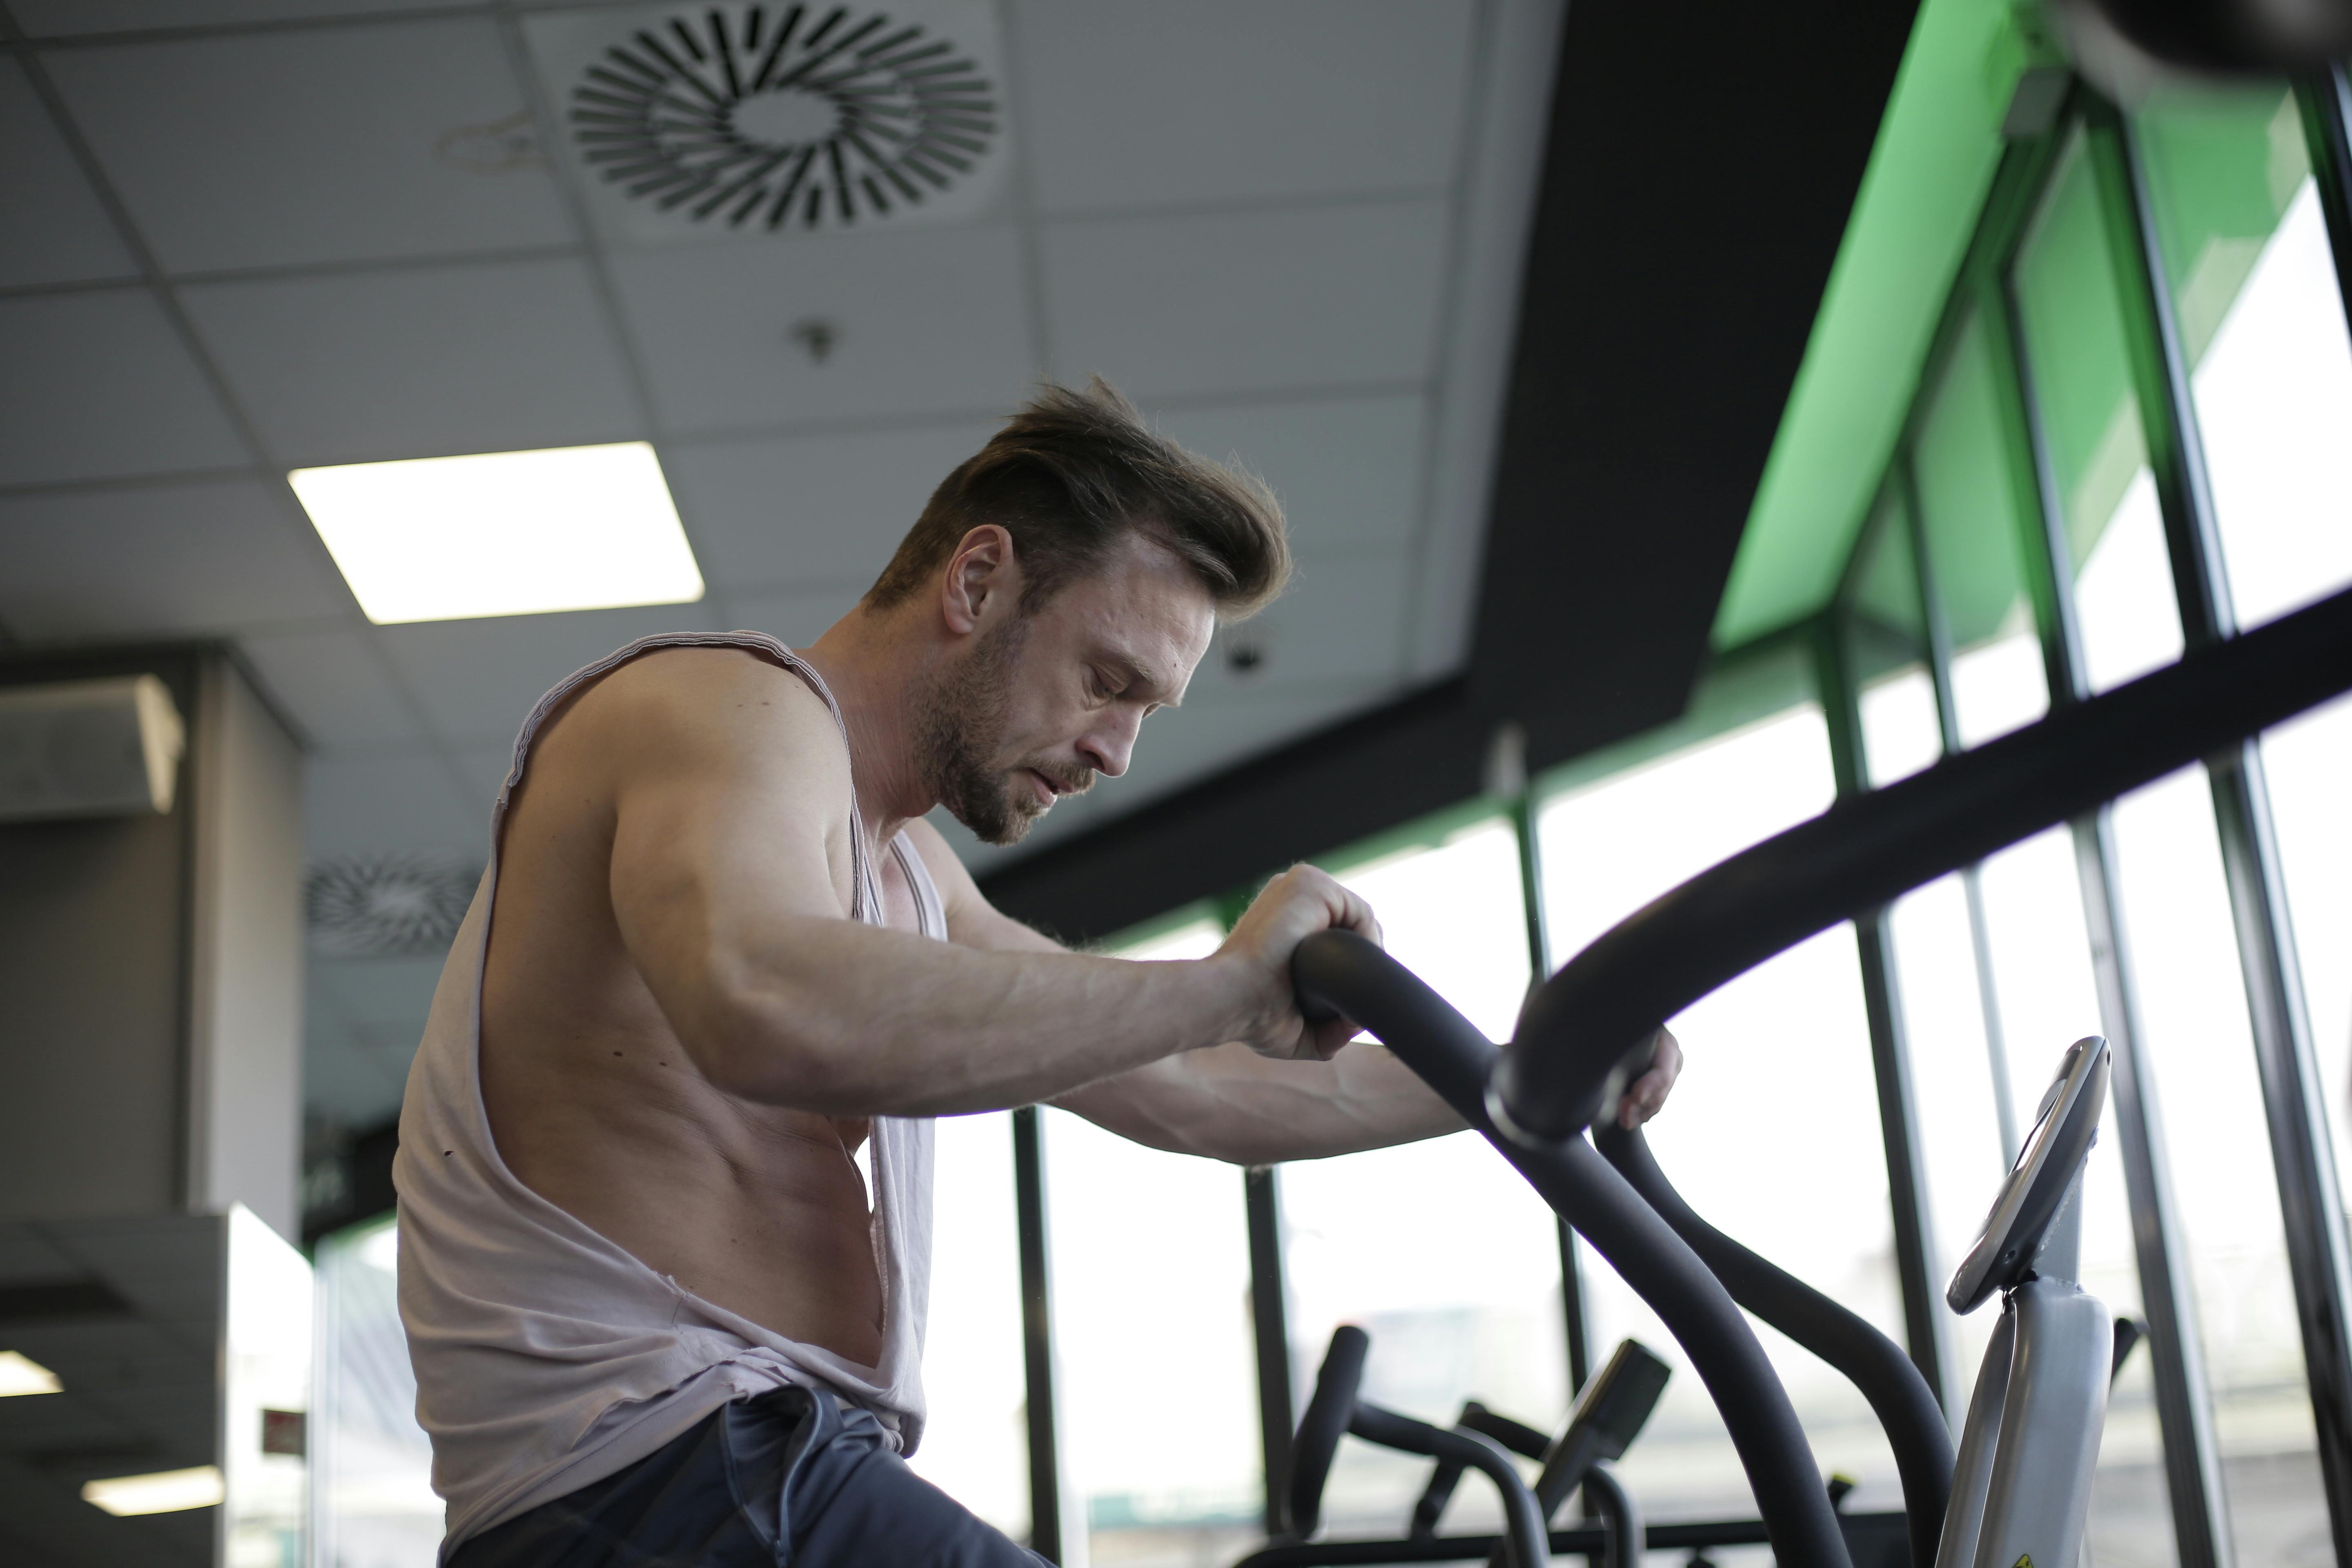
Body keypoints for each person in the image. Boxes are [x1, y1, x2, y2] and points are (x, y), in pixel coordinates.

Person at [394, 379, 1683, 1566]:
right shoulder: (725, 708)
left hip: (737, 1469)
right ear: (980, 581)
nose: (1118, 752)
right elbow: (760, 1001)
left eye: (1146, 712)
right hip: (643, 1472)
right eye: (1108, 681)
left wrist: (1514, 1077)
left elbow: (1189, 1085)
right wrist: (1226, 982)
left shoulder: (910, 880)